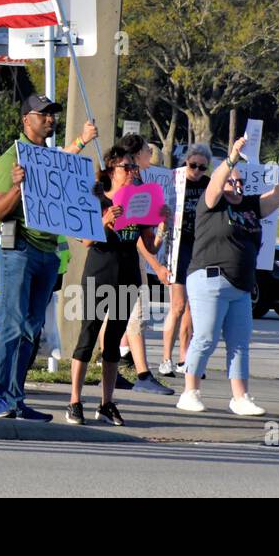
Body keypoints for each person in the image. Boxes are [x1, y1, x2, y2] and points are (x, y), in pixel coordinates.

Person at [0, 94, 97, 421]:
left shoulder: (48, 157)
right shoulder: (11, 159)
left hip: (47, 255)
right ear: (26, 119)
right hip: (18, 250)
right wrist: (18, 187)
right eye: (43, 114)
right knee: (12, 324)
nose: (50, 119)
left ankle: (16, 399)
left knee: (32, 330)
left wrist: (83, 141)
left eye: (52, 114)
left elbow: (66, 195)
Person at [176, 135, 279, 416]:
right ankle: (190, 391)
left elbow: (276, 197)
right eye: (232, 181)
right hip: (209, 279)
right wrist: (230, 158)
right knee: (205, 338)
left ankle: (240, 397)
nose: (237, 186)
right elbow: (217, 182)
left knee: (240, 343)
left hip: (241, 286)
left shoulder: (250, 206)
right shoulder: (211, 204)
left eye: (241, 182)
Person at [66, 145, 169, 426]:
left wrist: (161, 224)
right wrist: (105, 221)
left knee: (113, 341)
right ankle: (75, 400)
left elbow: (148, 246)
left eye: (134, 167)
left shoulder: (140, 199)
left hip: (126, 273)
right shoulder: (97, 197)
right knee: (88, 335)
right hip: (100, 272)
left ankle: (106, 403)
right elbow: (85, 240)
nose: (132, 172)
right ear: (112, 169)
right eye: (127, 167)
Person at [113, 133, 174, 395]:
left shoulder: (142, 183)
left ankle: (113, 371)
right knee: (136, 317)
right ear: (137, 155)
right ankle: (143, 375)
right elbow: (133, 236)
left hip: (133, 260)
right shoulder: (129, 185)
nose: (152, 155)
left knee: (117, 318)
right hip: (121, 259)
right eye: (148, 151)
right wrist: (157, 267)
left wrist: (162, 227)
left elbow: (149, 242)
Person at [159, 145, 210, 377]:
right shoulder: (175, 179)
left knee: (192, 307)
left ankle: (185, 358)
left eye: (202, 167)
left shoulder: (208, 183)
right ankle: (166, 358)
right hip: (179, 247)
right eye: (193, 165)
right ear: (185, 162)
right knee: (178, 306)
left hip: (200, 249)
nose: (197, 171)